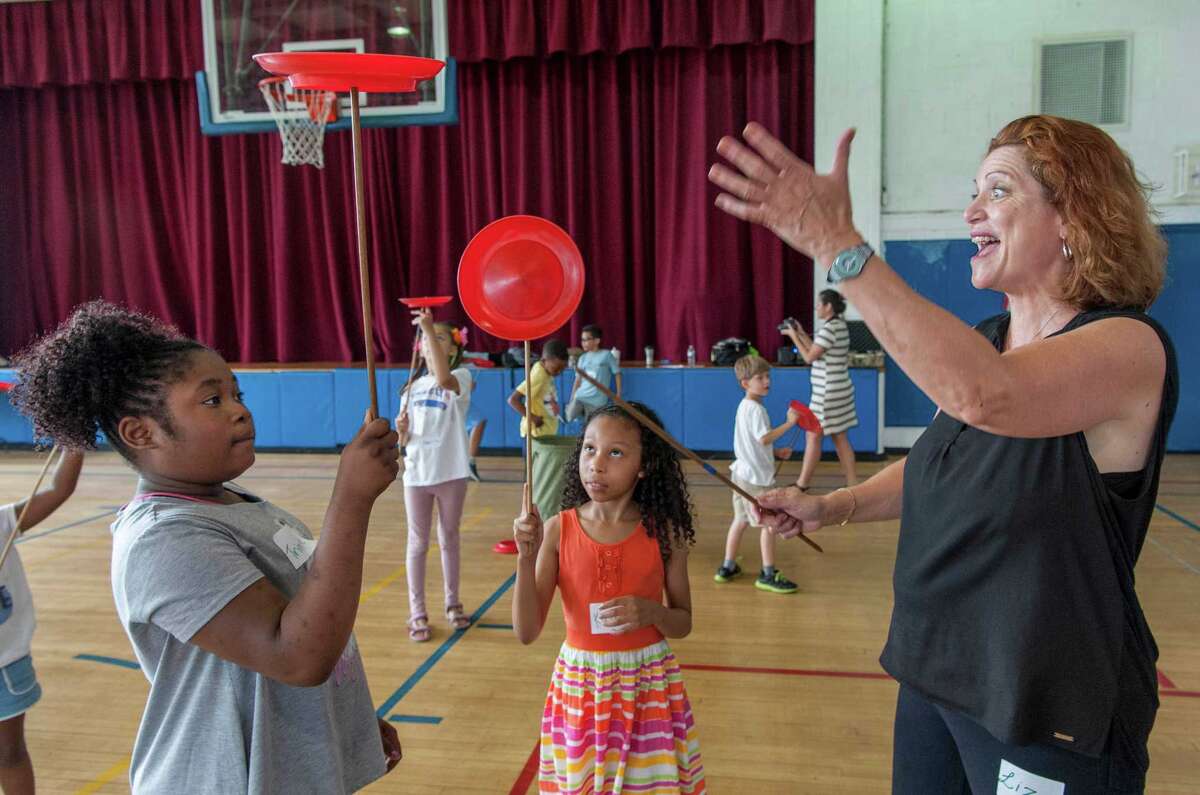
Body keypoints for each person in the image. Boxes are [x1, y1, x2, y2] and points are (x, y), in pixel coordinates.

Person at [709, 115, 1176, 792]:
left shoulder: (1128, 347)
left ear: (1072, 216)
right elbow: (939, 460)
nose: (971, 211)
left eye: (999, 190)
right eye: (974, 191)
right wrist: (828, 505)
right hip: (935, 674)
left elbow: (990, 397)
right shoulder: (987, 338)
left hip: (1045, 706)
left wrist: (837, 244)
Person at [10, 301, 403, 793]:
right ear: (141, 432)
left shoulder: (235, 502)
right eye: (212, 401)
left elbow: (307, 614)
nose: (240, 409)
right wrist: (352, 498)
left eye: (236, 393)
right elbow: (298, 655)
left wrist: (344, 720)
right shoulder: (163, 539)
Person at [511, 402, 705, 793]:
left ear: (644, 465)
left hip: (648, 685)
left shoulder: (665, 534)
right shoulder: (557, 530)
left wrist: (653, 612)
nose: (596, 464)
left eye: (615, 452)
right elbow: (526, 631)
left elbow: (682, 621)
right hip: (582, 687)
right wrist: (525, 557)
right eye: (589, 448)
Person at [0, 449, 83, 795]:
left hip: (5, 666)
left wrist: (74, 443)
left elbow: (59, 489)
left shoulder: (2, 523)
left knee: (9, 754)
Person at [396, 310, 473, 642]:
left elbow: (444, 380)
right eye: (428, 340)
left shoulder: (462, 376)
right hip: (416, 474)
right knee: (417, 543)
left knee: (449, 537)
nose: (431, 343)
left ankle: (452, 603)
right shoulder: (410, 389)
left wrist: (427, 326)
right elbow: (405, 438)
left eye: (440, 338)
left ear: (453, 350)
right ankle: (417, 612)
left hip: (451, 473)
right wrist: (401, 433)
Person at [713, 354, 799, 593]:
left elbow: (753, 444)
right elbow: (763, 438)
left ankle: (727, 566)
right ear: (745, 383)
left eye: (767, 376)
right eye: (760, 377)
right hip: (757, 481)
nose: (766, 381)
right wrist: (790, 423)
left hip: (741, 474)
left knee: (740, 520)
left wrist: (776, 453)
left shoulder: (744, 406)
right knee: (769, 525)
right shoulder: (757, 410)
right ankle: (768, 574)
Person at [782, 289, 858, 490]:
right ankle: (852, 484)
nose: (816, 307)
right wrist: (800, 332)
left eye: (819, 304)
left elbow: (809, 357)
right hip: (840, 389)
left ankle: (802, 484)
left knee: (813, 434)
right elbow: (817, 349)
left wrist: (792, 336)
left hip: (827, 393)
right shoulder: (838, 325)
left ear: (828, 306)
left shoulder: (829, 329)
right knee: (840, 437)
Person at [507, 340, 572, 522]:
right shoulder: (538, 375)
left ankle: (535, 515)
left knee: (540, 481)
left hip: (545, 435)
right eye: (557, 368)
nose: (559, 372)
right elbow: (513, 400)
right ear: (547, 359)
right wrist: (533, 417)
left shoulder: (546, 373)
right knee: (534, 482)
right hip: (535, 437)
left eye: (562, 369)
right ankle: (528, 517)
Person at [564, 324, 622, 422]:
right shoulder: (582, 358)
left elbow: (617, 374)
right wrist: (571, 398)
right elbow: (577, 381)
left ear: (597, 341)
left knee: (590, 427)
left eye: (587, 339)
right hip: (581, 396)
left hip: (597, 401)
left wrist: (618, 395)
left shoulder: (606, 355)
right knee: (569, 416)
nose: (583, 343)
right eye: (582, 340)